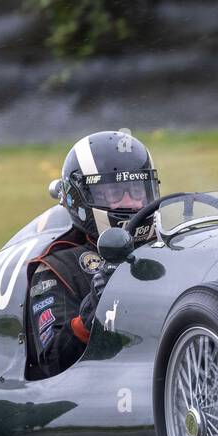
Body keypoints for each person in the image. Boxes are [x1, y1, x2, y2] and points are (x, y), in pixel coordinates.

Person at [28, 131, 160, 378]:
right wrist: (94, 309)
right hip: (105, 381)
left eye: (136, 190)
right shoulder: (58, 267)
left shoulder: (168, 246)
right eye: (114, 193)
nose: (130, 203)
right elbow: (53, 361)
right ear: (79, 198)